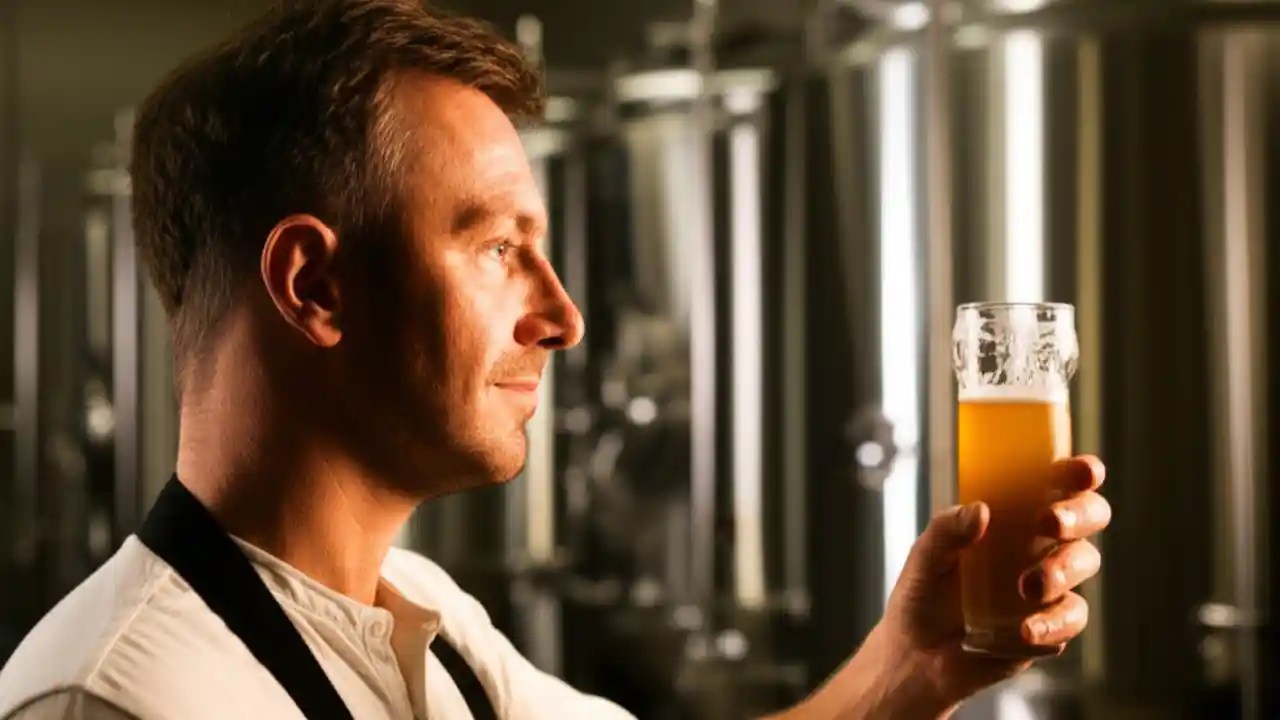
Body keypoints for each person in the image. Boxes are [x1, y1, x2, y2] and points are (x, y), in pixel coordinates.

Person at [0, 1, 1112, 718]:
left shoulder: (428, 628)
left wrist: (908, 667)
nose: (563, 318)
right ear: (313, 287)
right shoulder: (115, 701)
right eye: (497, 250)